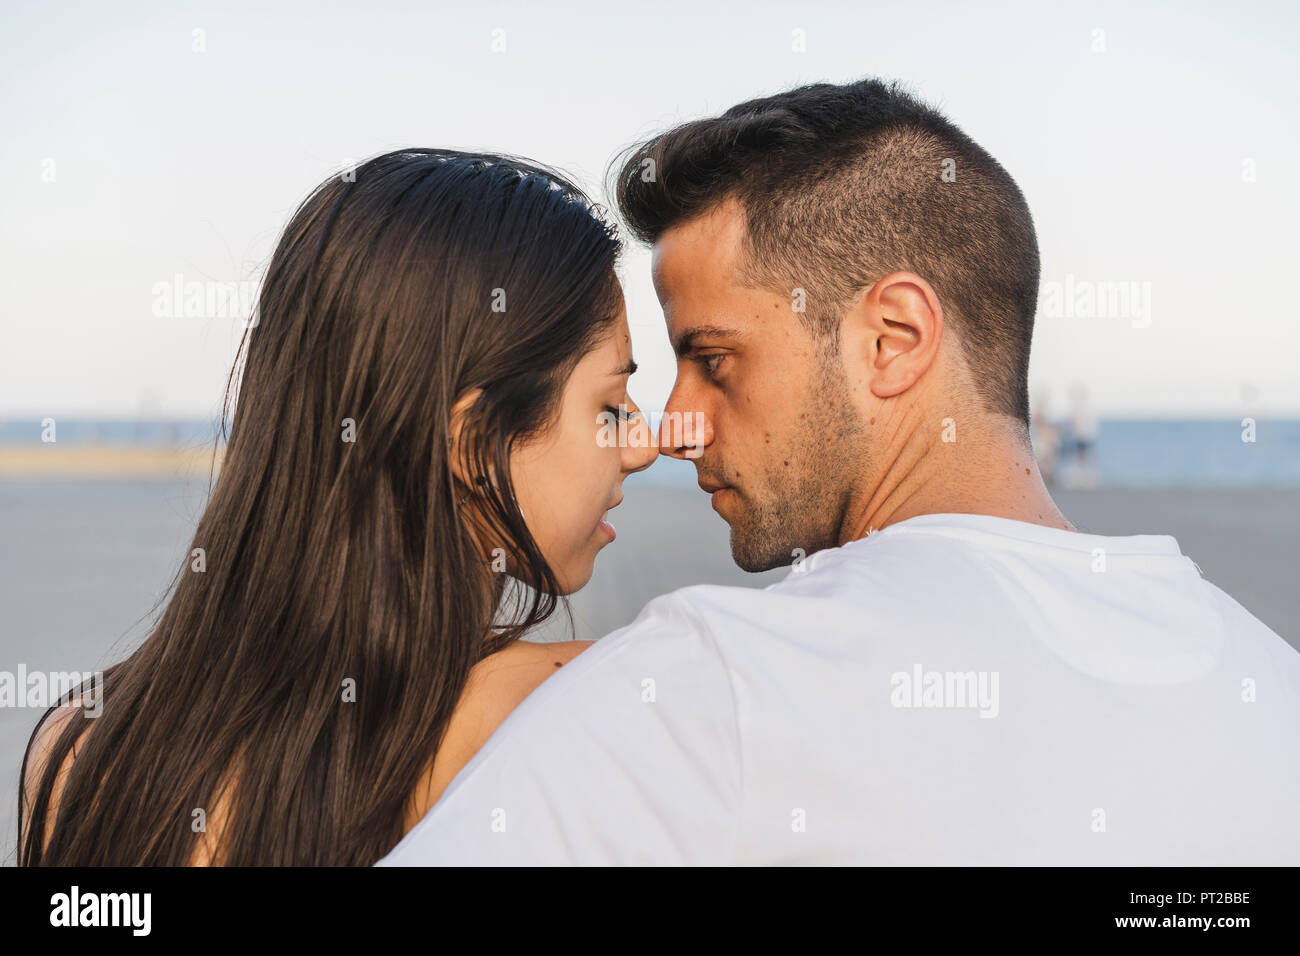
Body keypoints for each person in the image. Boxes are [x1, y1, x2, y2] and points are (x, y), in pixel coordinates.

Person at [379, 79, 1300, 866]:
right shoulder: (1270, 685)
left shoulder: (713, 688)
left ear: (892, 342)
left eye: (716, 358)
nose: (676, 425)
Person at [18, 149, 657, 865]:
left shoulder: (83, 751)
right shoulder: (560, 718)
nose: (644, 445)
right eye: (611, 406)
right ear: (474, 440)